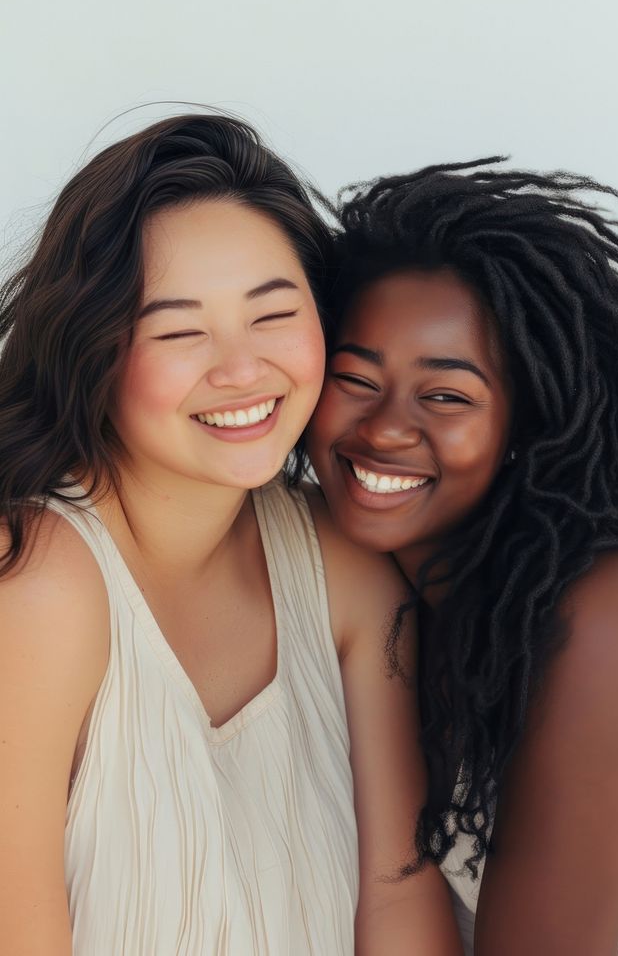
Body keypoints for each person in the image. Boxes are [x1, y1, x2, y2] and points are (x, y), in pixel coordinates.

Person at [0, 114, 462, 956]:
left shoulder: (341, 561)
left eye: (272, 315)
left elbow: (399, 897)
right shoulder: (37, 584)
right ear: (93, 349)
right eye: (179, 331)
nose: (242, 370)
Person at [306, 158, 618, 955]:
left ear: (530, 423)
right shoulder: (368, 598)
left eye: (446, 395)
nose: (385, 429)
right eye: (354, 378)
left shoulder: (616, 616)